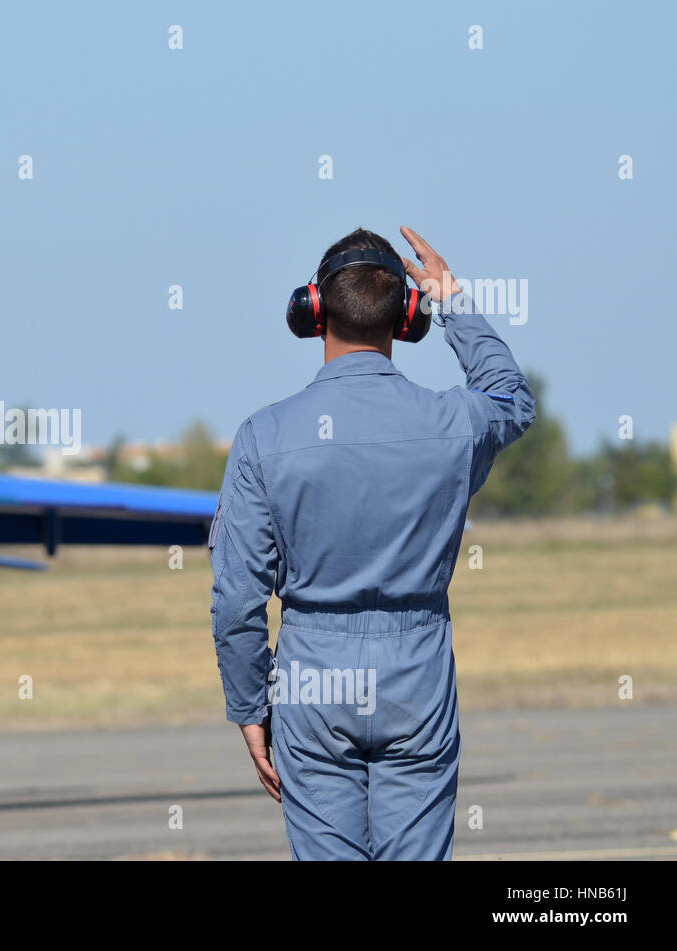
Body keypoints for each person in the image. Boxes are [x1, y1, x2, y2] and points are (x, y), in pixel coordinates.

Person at [209, 225, 535, 860]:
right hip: (417, 672)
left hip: (312, 676)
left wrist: (249, 707)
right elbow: (512, 399)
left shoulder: (263, 437)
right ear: (407, 318)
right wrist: (450, 296)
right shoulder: (454, 423)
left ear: (312, 312)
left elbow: (236, 601)